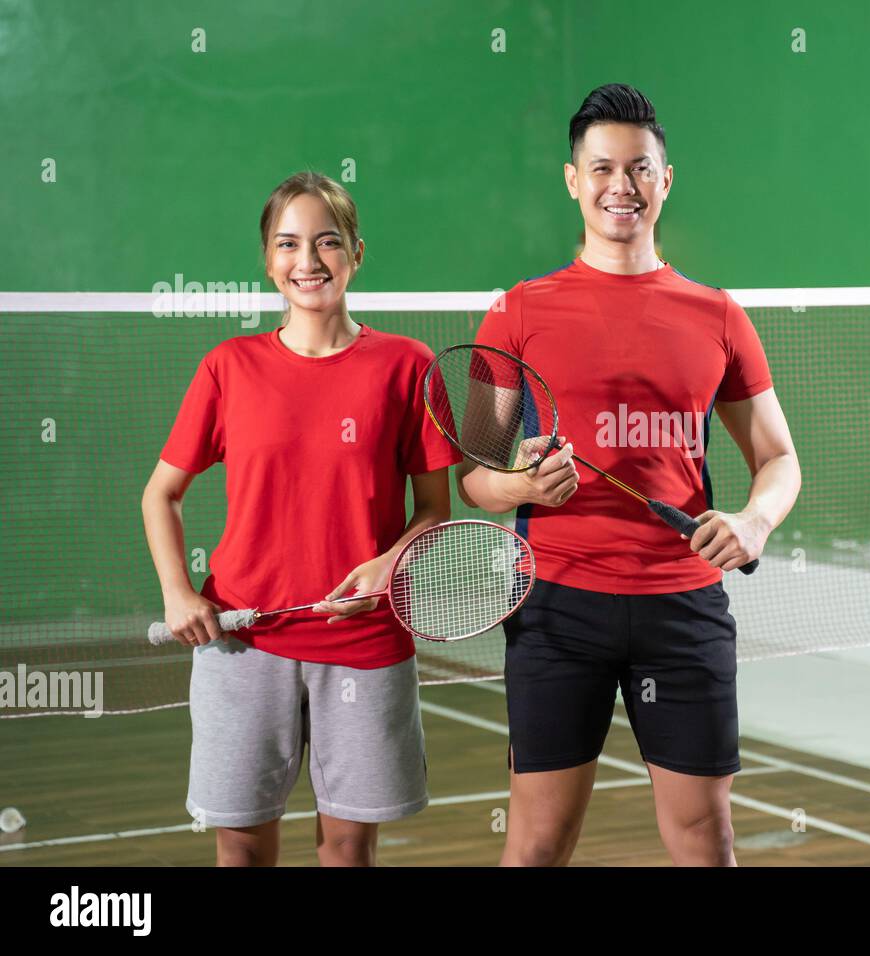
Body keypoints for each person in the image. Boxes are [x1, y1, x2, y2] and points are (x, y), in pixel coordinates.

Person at [460, 84, 801, 866]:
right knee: (539, 842)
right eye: (604, 168)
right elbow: (476, 473)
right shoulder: (516, 313)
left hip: (682, 611)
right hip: (556, 611)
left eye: (640, 169)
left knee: (704, 840)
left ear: (666, 180)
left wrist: (753, 522)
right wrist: (521, 487)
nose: (623, 186)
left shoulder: (719, 316)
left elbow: (778, 458)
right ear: (574, 180)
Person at [141, 172, 459, 866]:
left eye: (327, 242)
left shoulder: (409, 366)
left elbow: (436, 508)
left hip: (366, 641)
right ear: (267, 259)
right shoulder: (229, 366)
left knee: (348, 851)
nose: (307, 261)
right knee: (244, 849)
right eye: (288, 244)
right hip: (243, 645)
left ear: (356, 253)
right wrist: (177, 591)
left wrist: (388, 563)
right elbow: (159, 494)